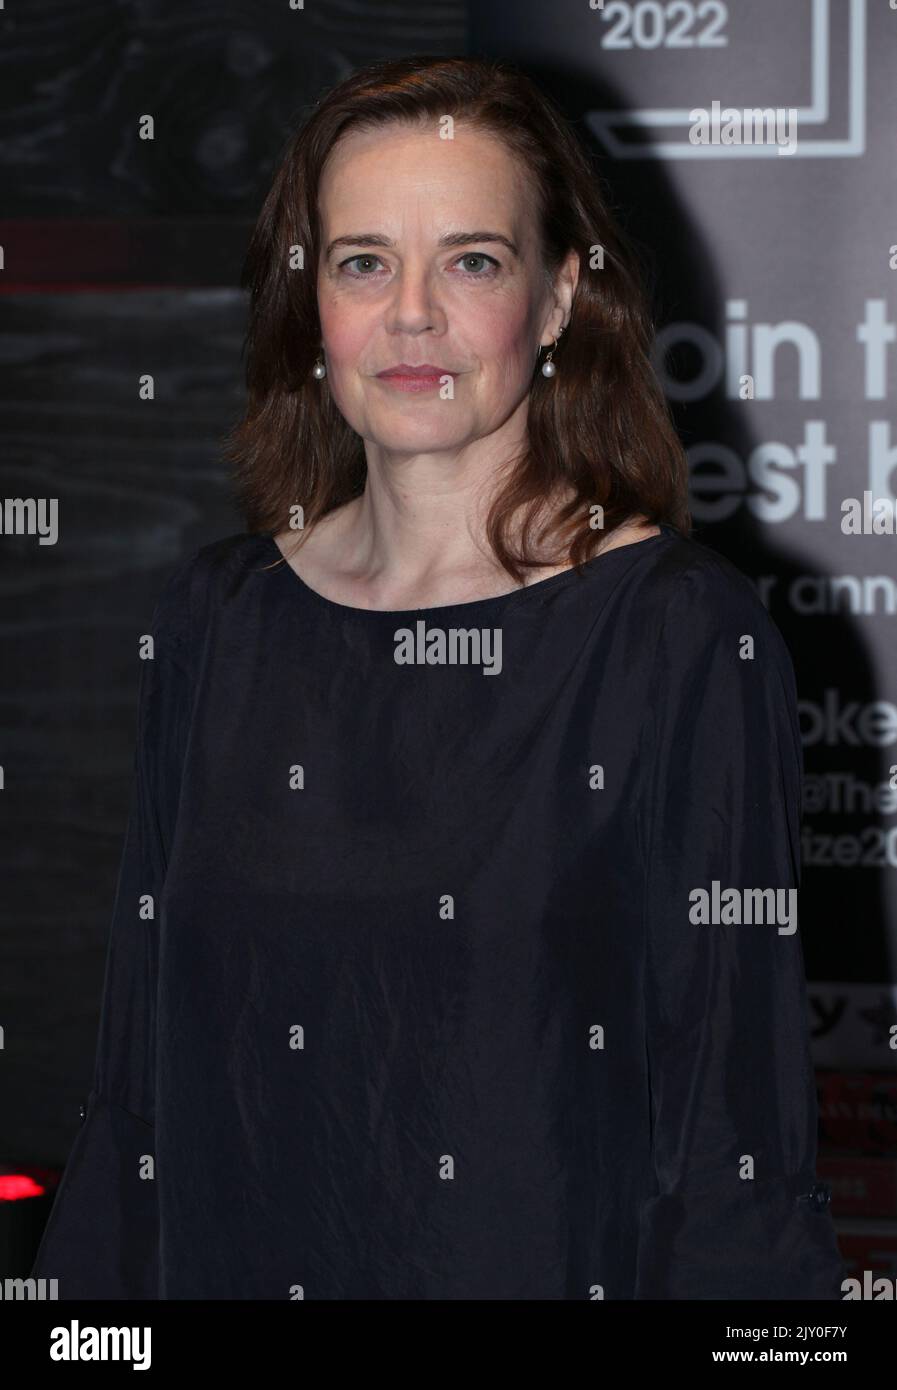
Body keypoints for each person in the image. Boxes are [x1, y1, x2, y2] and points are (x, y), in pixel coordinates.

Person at [31, 54, 845, 1299]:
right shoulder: (215, 619)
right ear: (313, 305)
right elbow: (136, 1111)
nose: (411, 315)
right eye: (363, 262)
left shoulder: (678, 639)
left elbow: (737, 1156)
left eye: (472, 259)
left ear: (563, 296)